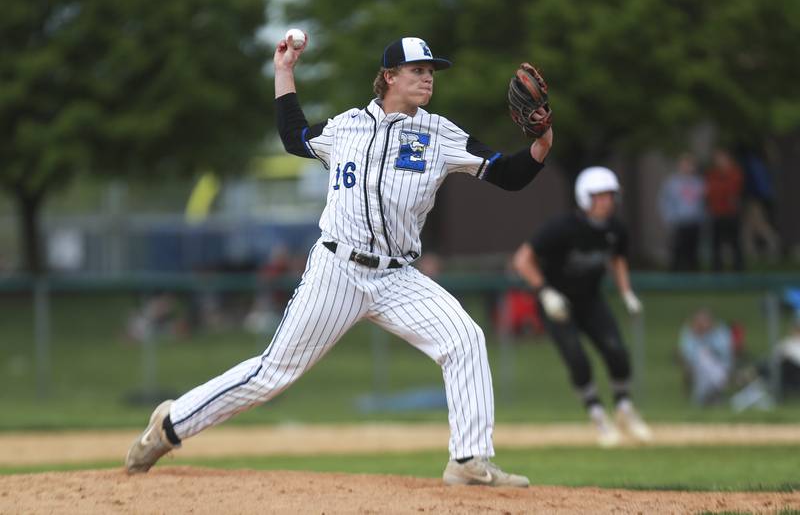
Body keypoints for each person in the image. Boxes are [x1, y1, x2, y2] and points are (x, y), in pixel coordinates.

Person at [125, 34, 554, 487]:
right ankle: (169, 426)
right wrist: (285, 70)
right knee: (271, 374)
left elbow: (508, 175)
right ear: (389, 76)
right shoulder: (346, 126)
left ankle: (469, 460)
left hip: (398, 278)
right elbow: (294, 137)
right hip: (337, 271)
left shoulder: (441, 134)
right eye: (417, 70)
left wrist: (542, 139)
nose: (428, 78)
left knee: (465, 339)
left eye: (431, 71)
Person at [511, 166, 652, 447]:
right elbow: (522, 260)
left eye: (610, 196)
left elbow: (618, 259)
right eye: (599, 197)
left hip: (590, 299)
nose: (606, 202)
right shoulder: (561, 227)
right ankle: (599, 417)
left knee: (617, 351)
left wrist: (626, 293)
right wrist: (545, 292)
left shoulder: (615, 229)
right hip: (557, 303)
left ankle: (624, 410)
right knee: (577, 358)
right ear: (585, 198)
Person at [658, 153, 705, 271]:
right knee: (676, 252)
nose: (687, 167)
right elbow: (664, 201)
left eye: (690, 165)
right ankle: (675, 277)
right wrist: (669, 218)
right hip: (678, 222)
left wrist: (702, 218)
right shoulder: (672, 183)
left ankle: (693, 278)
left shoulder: (699, 183)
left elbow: (703, 203)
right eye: (685, 164)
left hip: (694, 222)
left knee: (693, 253)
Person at [679, 308, 734, 406]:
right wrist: (698, 337)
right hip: (697, 368)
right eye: (699, 321)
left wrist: (707, 338)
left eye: (705, 320)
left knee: (705, 358)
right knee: (702, 359)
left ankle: (702, 398)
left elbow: (725, 352)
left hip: (720, 366)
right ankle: (710, 396)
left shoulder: (720, 331)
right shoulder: (690, 333)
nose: (702, 324)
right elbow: (688, 354)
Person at [705, 148, 745, 272]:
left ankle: (738, 269)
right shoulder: (712, 174)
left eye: (723, 159)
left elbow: (733, 190)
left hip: (731, 213)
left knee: (735, 243)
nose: (720, 161)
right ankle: (717, 270)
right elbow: (711, 192)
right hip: (717, 213)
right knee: (716, 244)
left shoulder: (735, 173)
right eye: (718, 159)